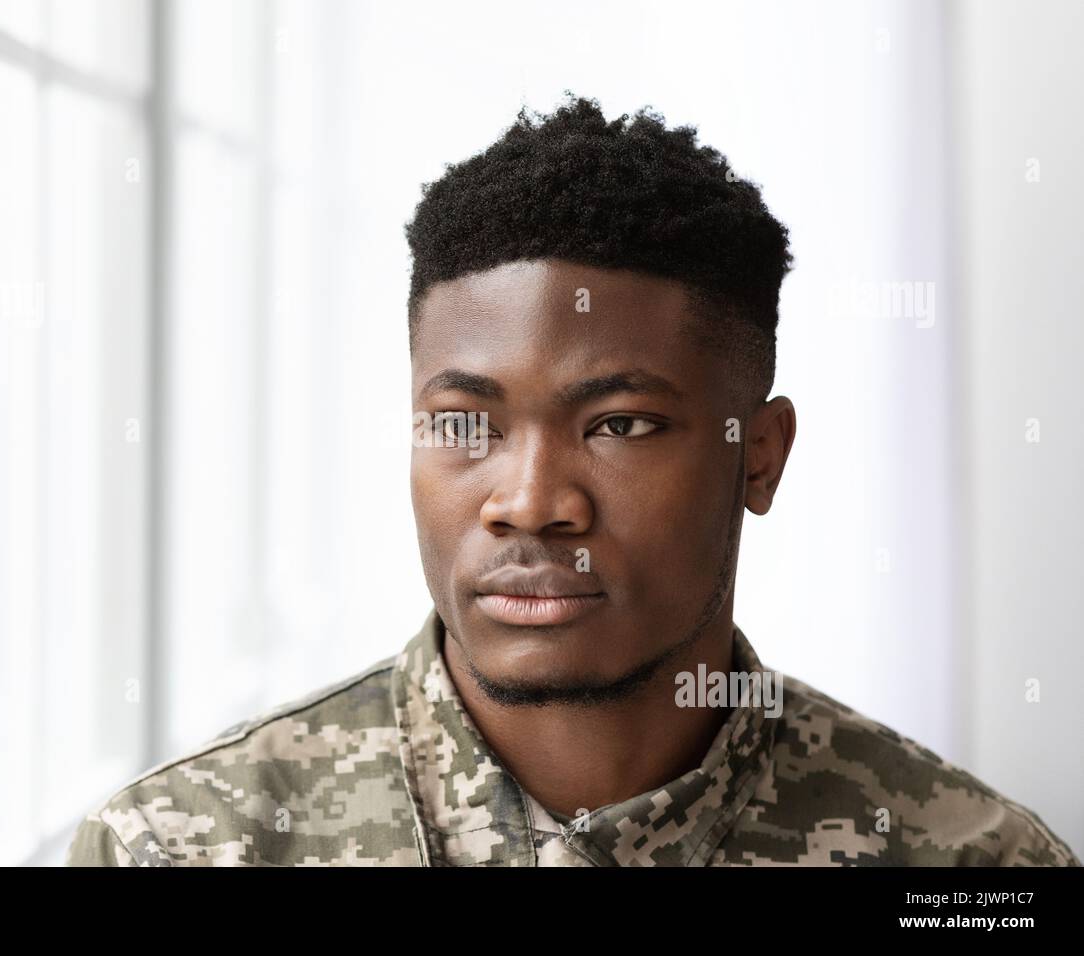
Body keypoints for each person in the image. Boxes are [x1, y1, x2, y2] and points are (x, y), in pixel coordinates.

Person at [66, 93, 1078, 867]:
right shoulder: (185, 848)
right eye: (464, 421)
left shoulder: (966, 863)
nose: (530, 499)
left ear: (757, 454)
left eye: (620, 423)